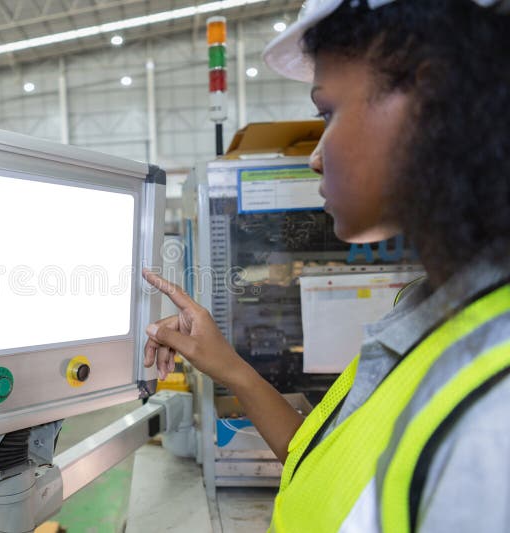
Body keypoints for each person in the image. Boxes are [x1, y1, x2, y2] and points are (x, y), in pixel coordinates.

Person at [141, 1, 510, 531]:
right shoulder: (425, 310)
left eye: (327, 113)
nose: (315, 155)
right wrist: (229, 367)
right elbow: (317, 457)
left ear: (431, 102)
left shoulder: (492, 422)